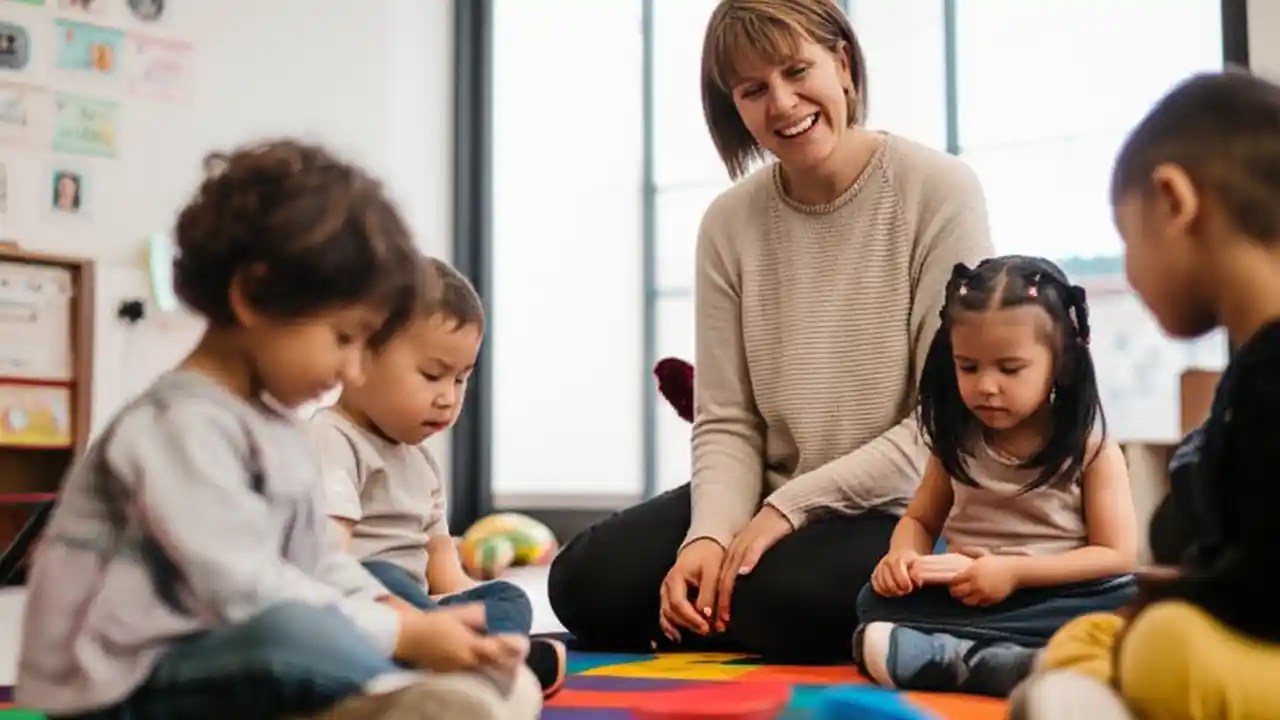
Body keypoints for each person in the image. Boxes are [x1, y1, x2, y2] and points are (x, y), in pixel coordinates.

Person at [16, 140, 541, 720]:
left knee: (384, 630)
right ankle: (398, 693)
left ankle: (402, 695)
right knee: (291, 634)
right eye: (344, 339)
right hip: (121, 683)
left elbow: (319, 561)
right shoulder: (179, 425)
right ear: (254, 296)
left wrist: (406, 618)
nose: (353, 368)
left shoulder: (272, 424)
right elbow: (245, 593)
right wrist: (403, 636)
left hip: (221, 658)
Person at [548, 0, 993, 661]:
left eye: (796, 70)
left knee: (775, 601)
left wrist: (786, 512)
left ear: (841, 63)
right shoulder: (727, 225)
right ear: (736, 106)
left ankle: (756, 607)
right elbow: (727, 420)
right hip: (770, 493)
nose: (782, 103)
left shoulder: (940, 190)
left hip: (906, 505)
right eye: (753, 90)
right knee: (585, 583)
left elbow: (941, 423)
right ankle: (734, 603)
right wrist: (708, 537)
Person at [1031, 69, 1280, 719]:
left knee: (1164, 645)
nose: (1130, 272)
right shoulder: (1251, 368)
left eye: (1128, 240)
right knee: (1091, 632)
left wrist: (1178, 599)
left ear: (1174, 202)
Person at [849, 256, 1138, 697]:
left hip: (1055, 595)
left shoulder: (1090, 447)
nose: (986, 385)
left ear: (1059, 363)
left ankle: (964, 660)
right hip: (969, 597)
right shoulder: (956, 441)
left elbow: (1116, 555)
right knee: (872, 602)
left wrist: (1016, 573)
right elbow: (921, 521)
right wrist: (903, 558)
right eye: (969, 367)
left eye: (1009, 369)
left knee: (1126, 600)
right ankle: (1026, 663)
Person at [312, 256, 567, 698]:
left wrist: (470, 610)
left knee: (509, 597)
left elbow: (446, 579)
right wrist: (410, 619)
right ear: (358, 358)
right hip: (362, 609)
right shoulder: (332, 439)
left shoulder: (423, 464)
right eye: (432, 375)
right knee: (381, 576)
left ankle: (472, 656)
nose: (448, 398)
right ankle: (474, 661)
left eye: (462, 379)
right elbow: (327, 565)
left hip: (421, 609)